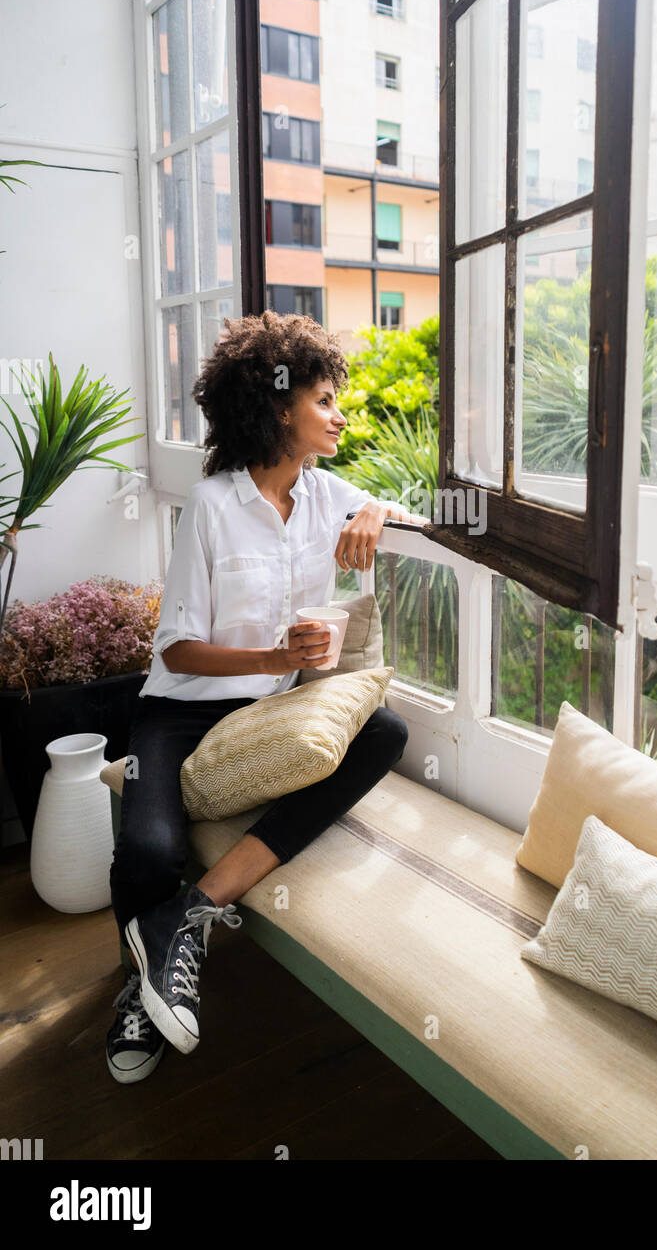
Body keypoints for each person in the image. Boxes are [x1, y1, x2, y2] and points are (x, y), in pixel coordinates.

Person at [106, 309, 426, 1082]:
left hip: (268, 706)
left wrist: (378, 509)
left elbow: (426, 507)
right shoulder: (213, 504)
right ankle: (134, 990)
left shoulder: (325, 494)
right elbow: (175, 648)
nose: (340, 412)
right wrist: (277, 653)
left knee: (382, 732)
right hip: (179, 710)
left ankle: (190, 914)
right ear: (278, 406)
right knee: (149, 848)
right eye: (323, 399)